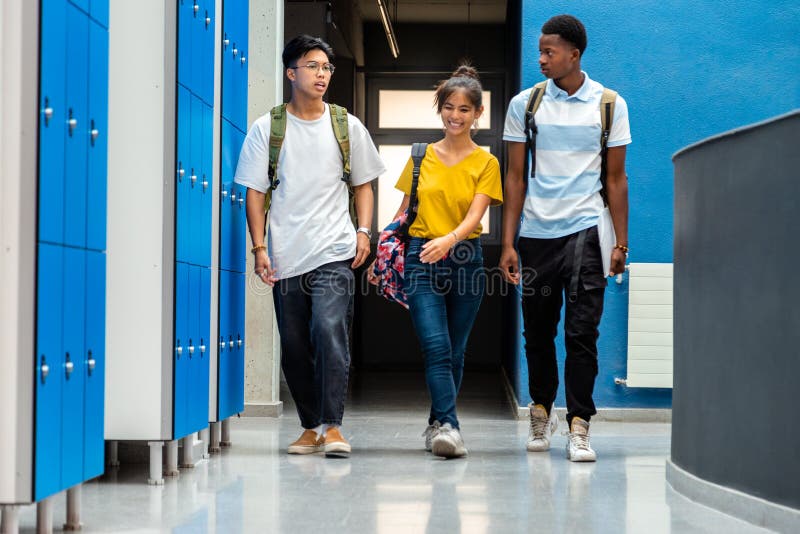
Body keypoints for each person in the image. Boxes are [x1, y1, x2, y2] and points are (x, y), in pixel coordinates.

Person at [235, 35, 386, 458]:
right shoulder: (268, 128)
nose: (322, 74)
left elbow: (364, 185)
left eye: (326, 68)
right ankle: (310, 426)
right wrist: (259, 248)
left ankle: (333, 426)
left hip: (334, 250)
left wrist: (363, 232)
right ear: (291, 73)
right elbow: (254, 192)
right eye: (313, 66)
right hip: (286, 254)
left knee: (328, 330)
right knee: (295, 344)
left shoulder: (346, 125)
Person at [499, 14, 631, 462]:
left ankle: (579, 424)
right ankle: (540, 411)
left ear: (574, 54)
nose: (541, 59)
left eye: (549, 51)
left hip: (587, 233)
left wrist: (621, 243)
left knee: (581, 333)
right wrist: (508, 242)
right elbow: (514, 178)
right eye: (540, 51)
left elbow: (616, 179)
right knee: (537, 334)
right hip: (536, 235)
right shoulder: (526, 104)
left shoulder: (609, 104)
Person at [369, 65, 503, 459]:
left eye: (464, 109)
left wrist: (448, 240)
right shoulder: (420, 156)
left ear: (478, 114)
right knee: (436, 346)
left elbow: (475, 216)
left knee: (455, 351)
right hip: (420, 257)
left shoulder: (486, 163)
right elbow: (403, 212)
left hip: (464, 258)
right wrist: (382, 256)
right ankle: (450, 427)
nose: (455, 116)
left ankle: (437, 421)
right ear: (439, 108)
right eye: (448, 107)